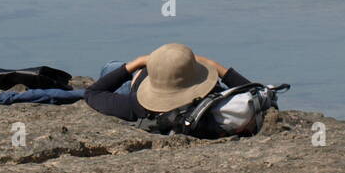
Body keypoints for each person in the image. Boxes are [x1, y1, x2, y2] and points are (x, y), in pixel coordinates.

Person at [84, 42, 250, 122]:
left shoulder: (138, 105)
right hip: (156, 75)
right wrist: (216, 67)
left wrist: (138, 62)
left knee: (110, 67)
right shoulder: (210, 98)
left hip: (140, 80)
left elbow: (92, 93)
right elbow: (260, 94)